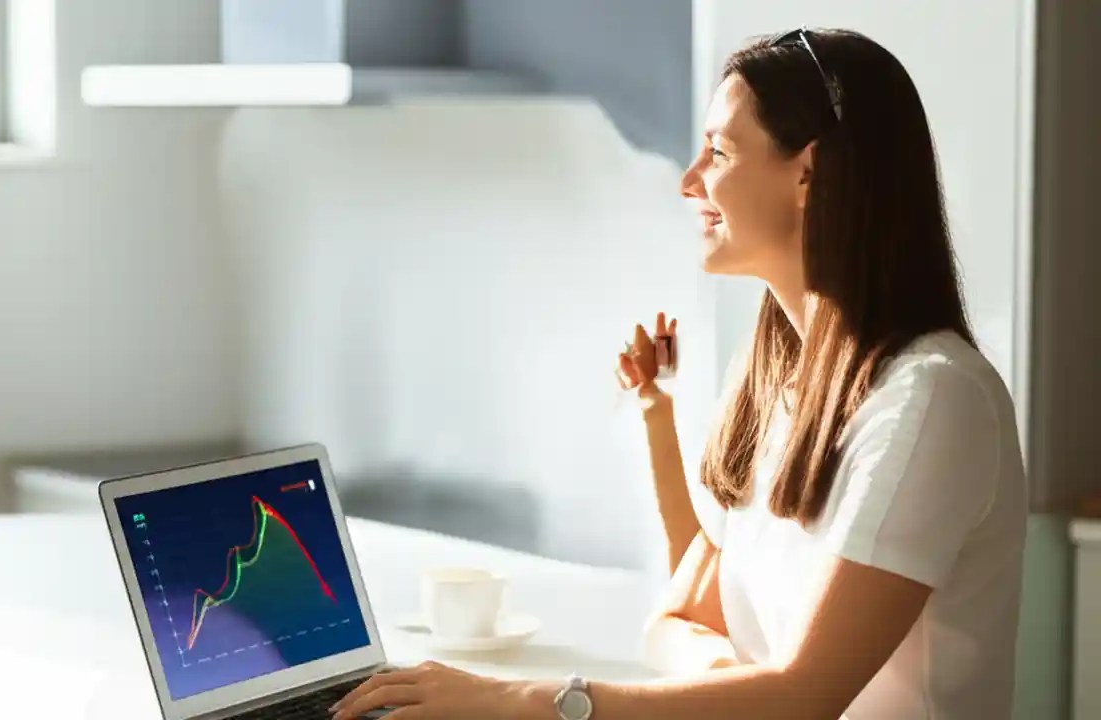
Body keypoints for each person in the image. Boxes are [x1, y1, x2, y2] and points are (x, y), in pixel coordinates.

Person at [332, 27, 1027, 720]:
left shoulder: (932, 400)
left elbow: (805, 696)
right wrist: (731, 677)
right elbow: (679, 617)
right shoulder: (772, 375)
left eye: (719, 152)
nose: (689, 179)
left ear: (807, 173)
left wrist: (518, 700)